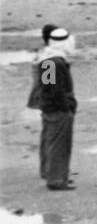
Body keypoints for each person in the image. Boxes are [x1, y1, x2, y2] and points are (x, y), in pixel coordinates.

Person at [31, 26, 77, 191]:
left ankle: (51, 173)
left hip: (50, 108)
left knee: (50, 142)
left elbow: (47, 87)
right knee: (59, 144)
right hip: (57, 109)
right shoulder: (53, 62)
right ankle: (56, 179)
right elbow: (52, 89)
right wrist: (67, 106)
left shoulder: (47, 58)